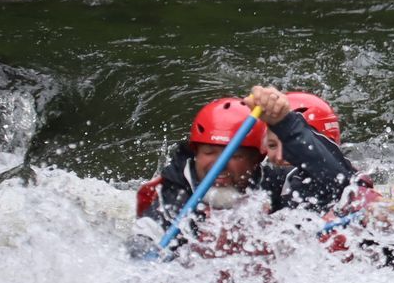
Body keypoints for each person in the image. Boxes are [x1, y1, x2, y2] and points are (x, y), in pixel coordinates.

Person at [137, 86, 356, 224]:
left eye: (235, 155)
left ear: (256, 160)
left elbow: (339, 184)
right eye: (209, 152)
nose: (219, 165)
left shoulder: (278, 190)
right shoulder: (175, 193)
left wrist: (285, 125)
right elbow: (147, 238)